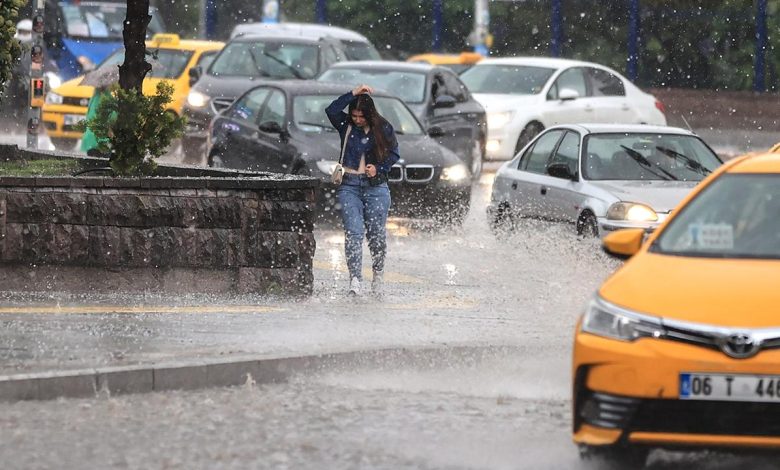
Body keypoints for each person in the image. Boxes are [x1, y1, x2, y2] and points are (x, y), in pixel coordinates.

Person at [326, 84, 400, 297]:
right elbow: (331, 110)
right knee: (353, 233)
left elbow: (394, 153)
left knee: (376, 235)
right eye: (354, 115)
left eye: (361, 116)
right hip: (349, 185)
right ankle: (355, 279)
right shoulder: (346, 125)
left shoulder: (383, 127)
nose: (357, 119)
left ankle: (378, 273)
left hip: (376, 187)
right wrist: (353, 94)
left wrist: (379, 167)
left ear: (369, 114)